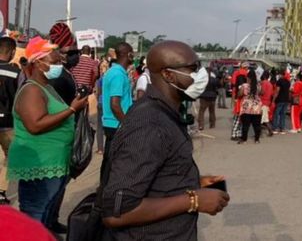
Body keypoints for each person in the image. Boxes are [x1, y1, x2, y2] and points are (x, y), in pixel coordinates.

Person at [101, 41, 229, 239]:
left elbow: (156, 173)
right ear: (168, 75)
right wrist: (193, 200)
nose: (200, 75)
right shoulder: (149, 124)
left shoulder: (166, 113)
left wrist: (195, 182)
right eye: (193, 69)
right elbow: (116, 212)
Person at [8, 37, 89, 229]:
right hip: (40, 164)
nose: (59, 65)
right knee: (35, 213)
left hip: (53, 162)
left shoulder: (47, 87)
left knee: (44, 212)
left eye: (59, 62)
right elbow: (35, 125)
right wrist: (71, 110)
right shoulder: (32, 91)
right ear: (38, 63)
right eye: (54, 62)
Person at [101, 42, 134, 178]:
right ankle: (107, 189)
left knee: (110, 159)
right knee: (114, 162)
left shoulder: (114, 72)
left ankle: (105, 187)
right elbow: (115, 104)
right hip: (116, 124)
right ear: (128, 55)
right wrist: (126, 123)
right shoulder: (118, 75)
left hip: (112, 123)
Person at [0, 36, 20, 205]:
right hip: (8, 123)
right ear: (12, 52)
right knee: (9, 158)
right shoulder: (15, 72)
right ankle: (0, 192)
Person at [238, 70, 263, 143]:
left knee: (245, 125)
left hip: (247, 108)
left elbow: (239, 94)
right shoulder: (258, 86)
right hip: (257, 107)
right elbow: (262, 93)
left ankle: (244, 139)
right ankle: (257, 139)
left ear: (248, 78)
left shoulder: (244, 85)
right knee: (257, 125)